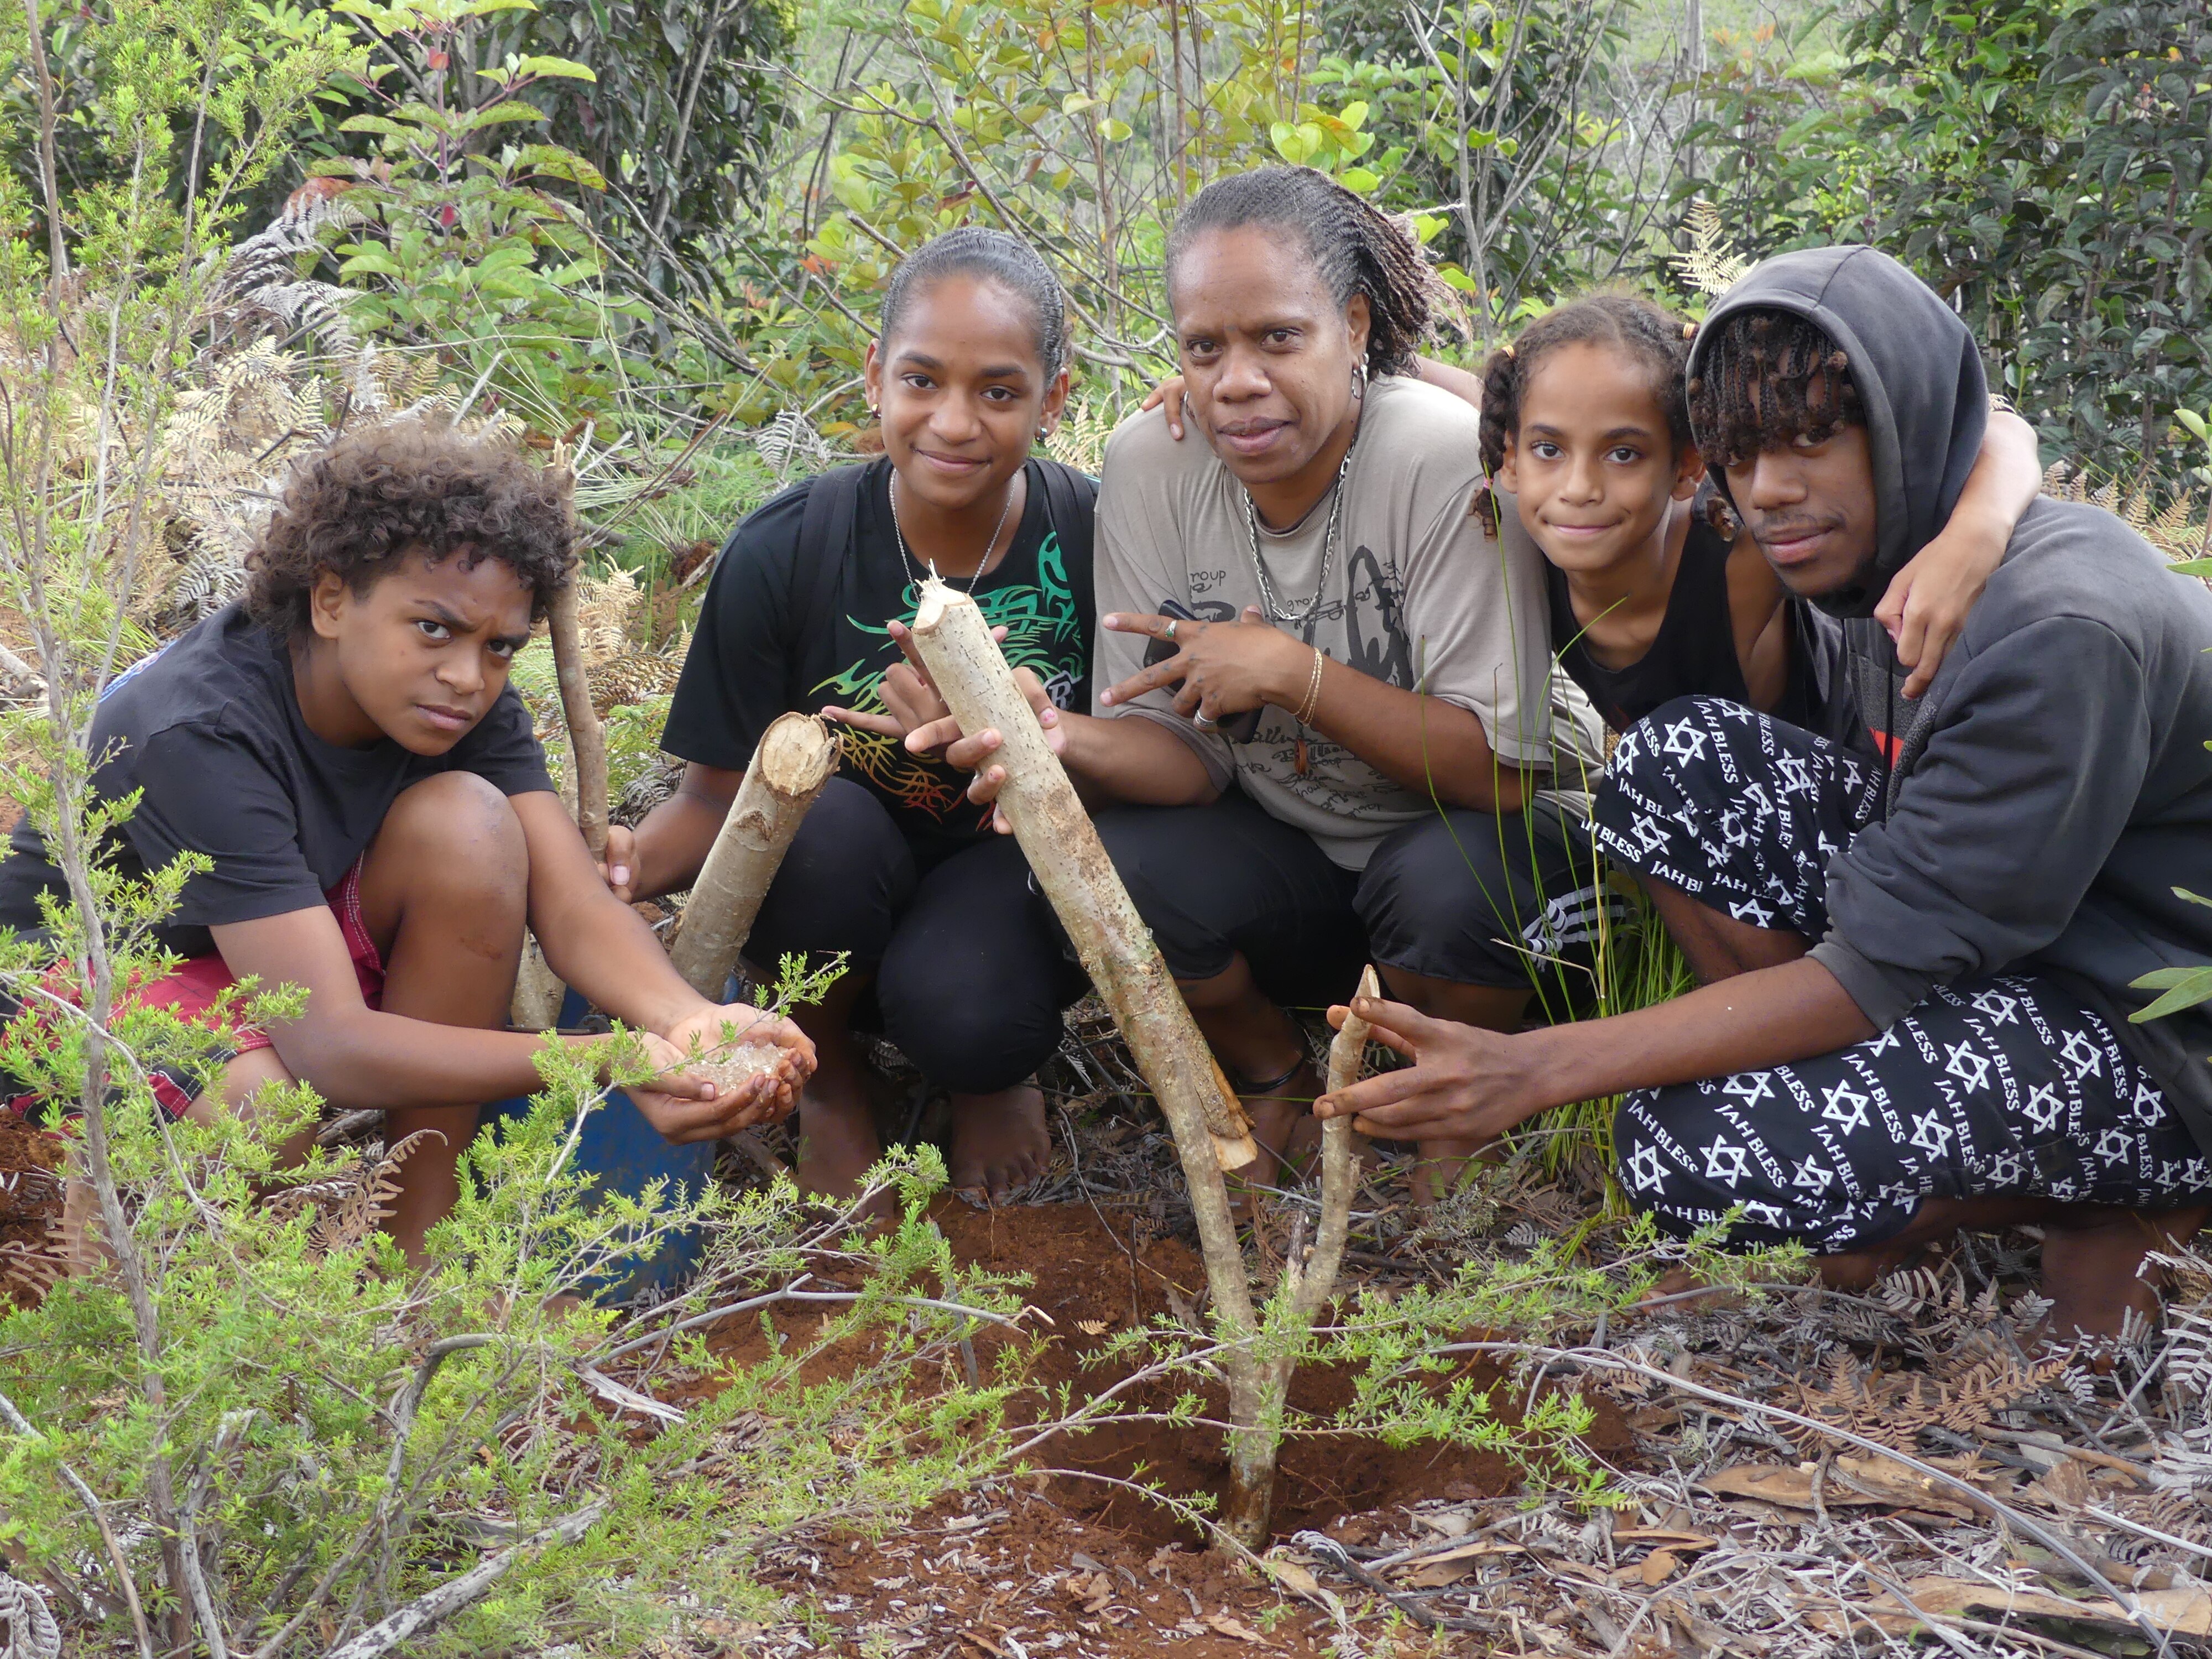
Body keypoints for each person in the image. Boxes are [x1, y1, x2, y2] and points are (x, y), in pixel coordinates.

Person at [1311, 246, 2212, 1342]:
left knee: (1691, 1146)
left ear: (1910, 426)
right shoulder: (1886, 539)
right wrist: (1304, 377)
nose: (1770, 490)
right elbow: (1539, 412)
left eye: (1811, 441)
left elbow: (1872, 971)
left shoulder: (2057, 633)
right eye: (1739, 455)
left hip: (2158, 1023)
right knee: (1668, 762)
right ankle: (1881, 1158)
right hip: (2018, 935)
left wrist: (1529, 1068)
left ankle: (2117, 1192)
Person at [915, 165, 1594, 1201]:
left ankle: (1454, 1098)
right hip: (1301, 869)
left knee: (1445, 881)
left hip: (1481, 866)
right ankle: (1274, 1068)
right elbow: (1183, 757)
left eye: (1279, 337)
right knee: (1104, 861)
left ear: (1354, 325)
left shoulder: (1438, 459)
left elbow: (1502, 774)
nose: (1236, 381)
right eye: (1205, 349)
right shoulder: (1153, 465)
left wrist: (1293, 673)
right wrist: (1059, 740)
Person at [0, 419, 813, 1262]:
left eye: (500, 647)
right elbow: (333, 1048)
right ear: (329, 600)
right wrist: (606, 1057)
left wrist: (688, 1020)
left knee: (472, 827)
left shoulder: (457, 697)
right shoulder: (199, 729)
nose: (467, 676)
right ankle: (123, 1279)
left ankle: (411, 1257)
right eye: (432, 628)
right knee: (262, 1113)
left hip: (265, 947)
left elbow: (572, 903)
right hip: (81, 979)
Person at [605, 228, 1093, 1204]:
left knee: (971, 1014)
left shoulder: (1092, 535)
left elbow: (1143, 760)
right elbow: (715, 799)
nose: (954, 421)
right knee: (816, 818)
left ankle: (991, 1073)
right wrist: (615, 870)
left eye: (1000, 392)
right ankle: (828, 1079)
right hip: (834, 892)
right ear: (875, 376)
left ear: (1054, 399)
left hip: (1004, 876)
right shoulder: (788, 549)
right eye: (922, 380)